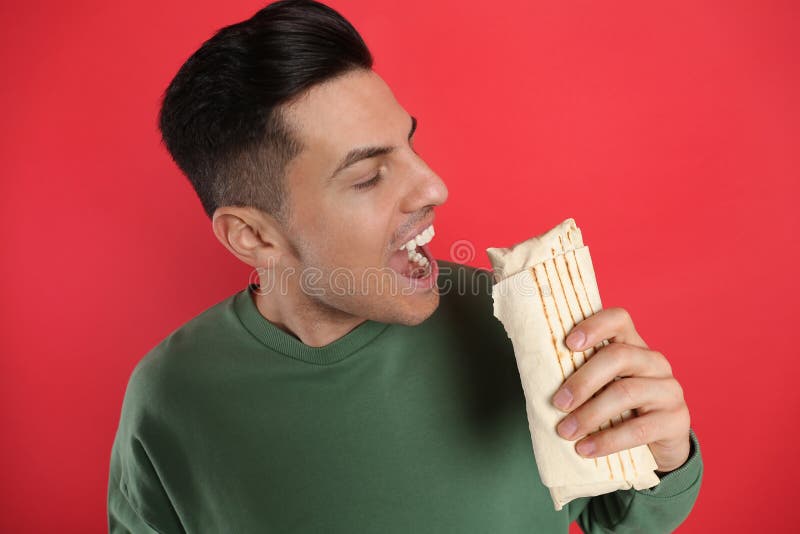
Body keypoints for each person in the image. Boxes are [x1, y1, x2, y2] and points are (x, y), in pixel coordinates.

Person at [107, 1, 703, 531]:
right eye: (367, 177)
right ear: (254, 235)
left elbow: (622, 519)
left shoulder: (510, 319)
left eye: (410, 146)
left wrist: (665, 452)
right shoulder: (170, 397)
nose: (434, 187)